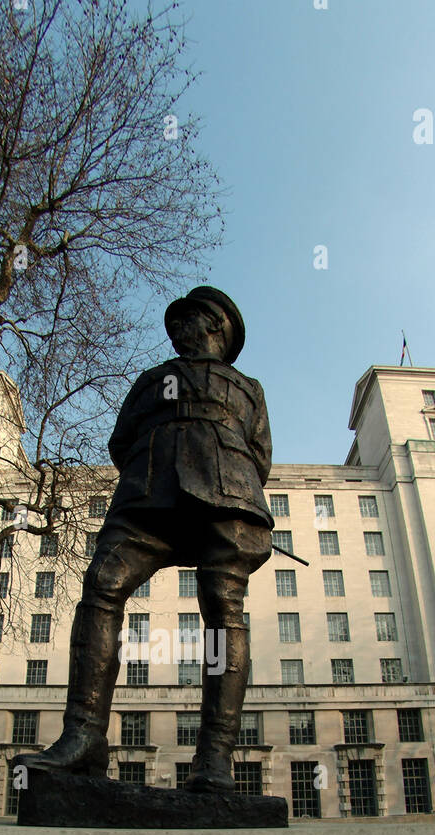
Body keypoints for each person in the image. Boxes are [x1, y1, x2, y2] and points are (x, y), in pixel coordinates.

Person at [30, 285, 274, 793]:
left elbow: (260, 455)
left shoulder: (249, 388)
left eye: (185, 320)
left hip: (227, 495)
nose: (174, 330)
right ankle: (84, 735)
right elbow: (122, 440)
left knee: (222, 611)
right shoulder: (152, 380)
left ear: (212, 325)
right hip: (149, 493)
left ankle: (214, 758)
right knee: (102, 583)